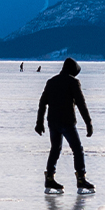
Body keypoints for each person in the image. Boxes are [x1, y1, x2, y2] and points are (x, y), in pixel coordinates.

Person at [35, 59, 93, 192]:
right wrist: (88, 123)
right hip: (67, 122)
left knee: (55, 149)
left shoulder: (51, 81)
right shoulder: (73, 82)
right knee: (77, 150)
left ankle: (49, 178)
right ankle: (81, 179)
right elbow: (81, 104)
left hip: (53, 122)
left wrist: (39, 122)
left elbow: (42, 103)